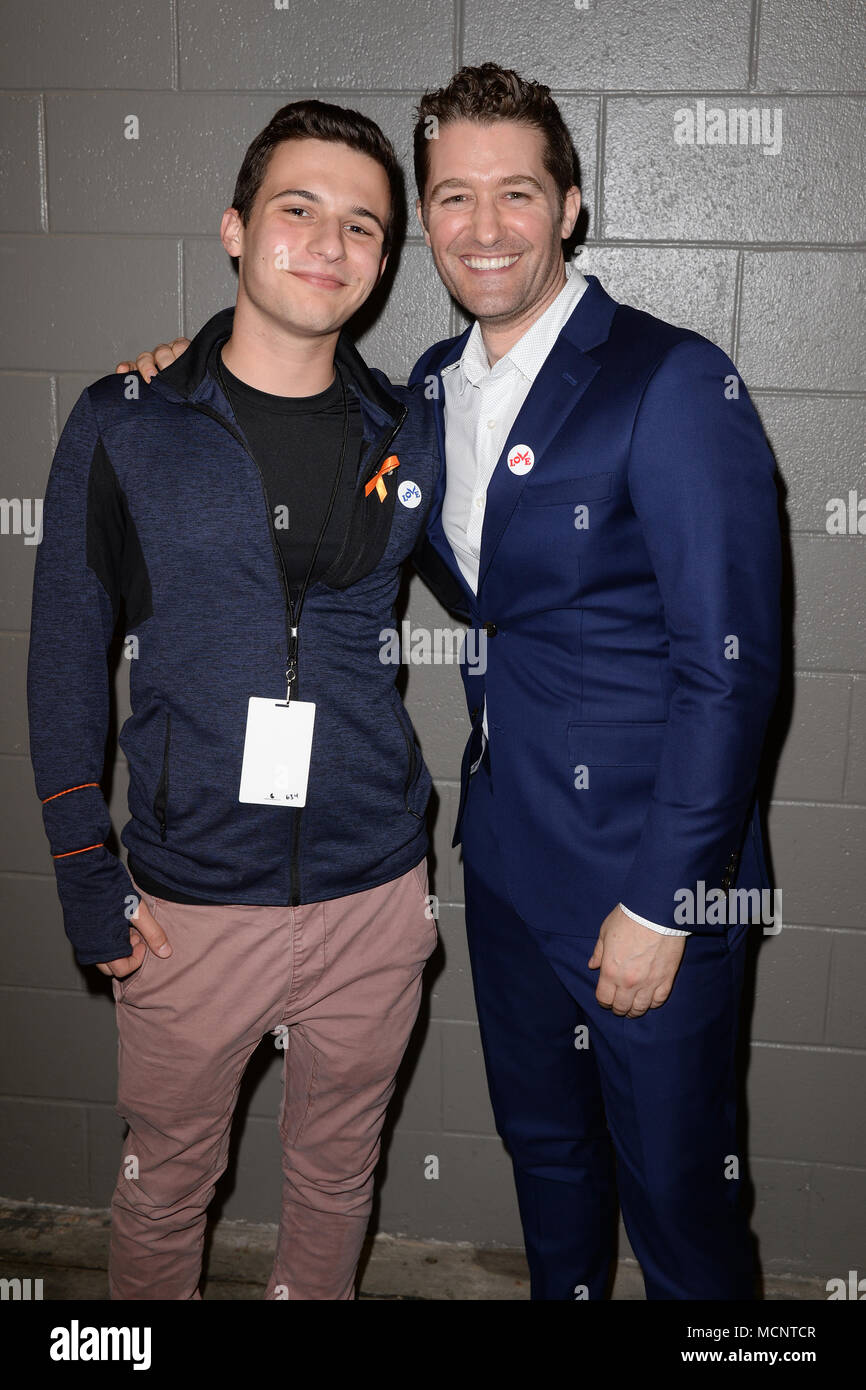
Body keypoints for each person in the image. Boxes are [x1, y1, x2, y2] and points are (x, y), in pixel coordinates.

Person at [121, 62, 783, 1301]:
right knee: (551, 1175)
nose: (483, 228)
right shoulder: (426, 389)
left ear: (570, 207)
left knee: (685, 1206)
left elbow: (728, 673)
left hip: (650, 882)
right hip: (510, 865)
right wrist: (190, 365)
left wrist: (662, 903)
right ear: (427, 218)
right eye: (453, 198)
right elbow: (308, 428)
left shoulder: (670, 381)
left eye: (516, 194)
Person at [27, 99, 440, 1301]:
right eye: (297, 209)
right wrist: (81, 870)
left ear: (380, 262)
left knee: (335, 1178)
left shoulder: (408, 429)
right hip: (188, 907)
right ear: (233, 228)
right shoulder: (127, 421)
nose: (328, 241)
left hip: (374, 891)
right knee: (164, 1185)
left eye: (361, 225)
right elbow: (63, 658)